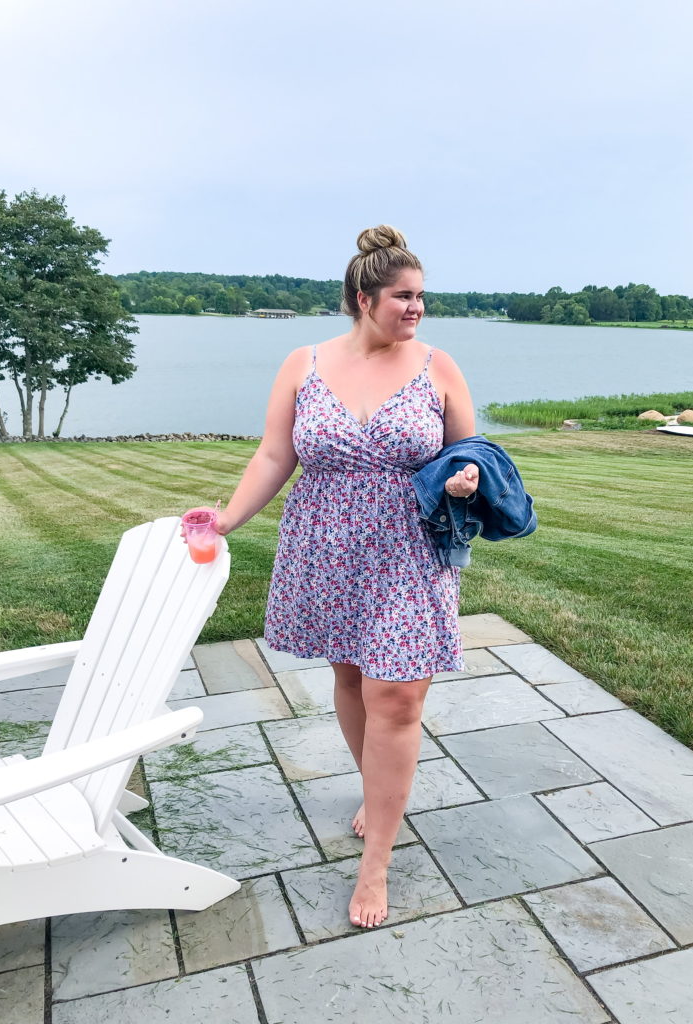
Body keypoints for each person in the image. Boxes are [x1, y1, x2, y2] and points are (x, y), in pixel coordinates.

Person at [197, 225, 478, 928]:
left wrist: (468, 477)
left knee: (397, 700)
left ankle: (376, 862)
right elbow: (272, 455)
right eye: (403, 296)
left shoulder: (439, 366)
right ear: (363, 297)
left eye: (421, 296)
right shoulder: (303, 363)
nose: (416, 308)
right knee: (351, 678)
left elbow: (472, 452)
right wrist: (229, 518)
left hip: (411, 552)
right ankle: (375, 791)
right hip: (326, 547)